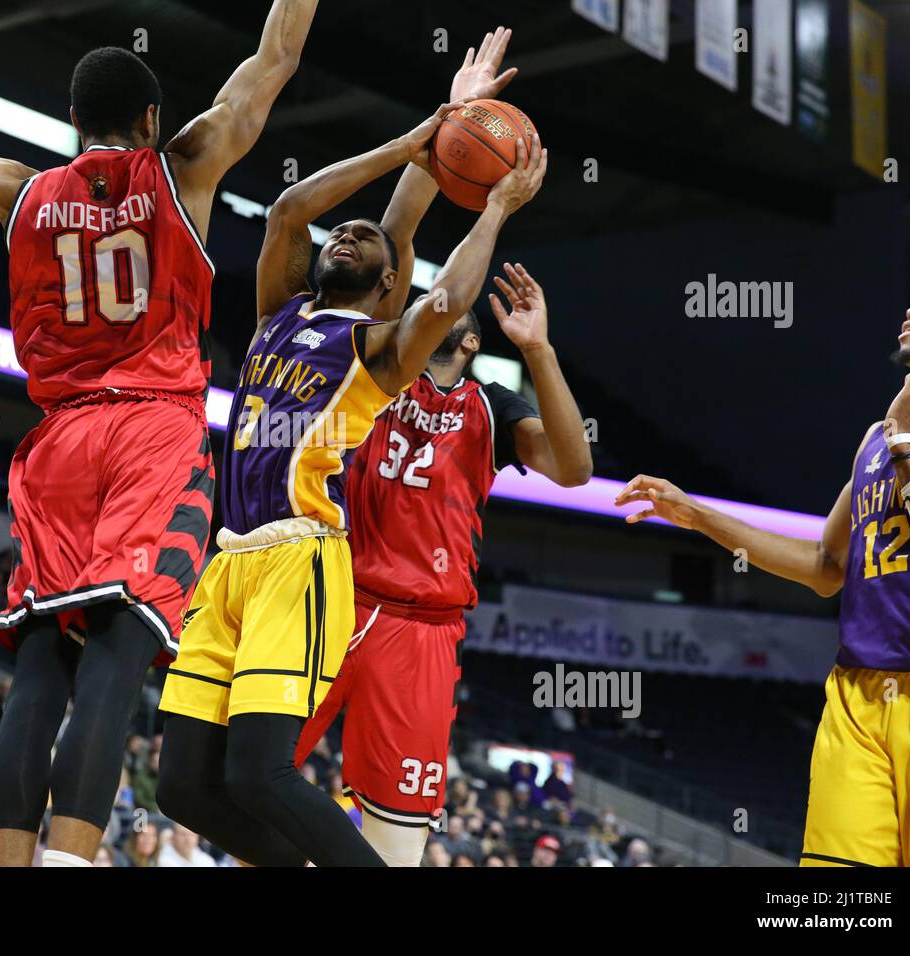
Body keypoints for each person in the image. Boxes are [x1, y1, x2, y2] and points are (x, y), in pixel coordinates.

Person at [0, 0, 322, 869]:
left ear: (71, 120)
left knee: (43, 659)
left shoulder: (16, 187)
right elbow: (273, 58)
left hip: (59, 441)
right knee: (119, 652)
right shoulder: (185, 169)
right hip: (152, 432)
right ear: (154, 121)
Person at [157, 78, 545, 865]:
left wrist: (496, 206)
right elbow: (289, 209)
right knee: (183, 789)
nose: (350, 235)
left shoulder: (376, 349)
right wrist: (416, 143)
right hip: (228, 560)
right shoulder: (281, 310)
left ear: (389, 286)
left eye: (368, 243)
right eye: (347, 233)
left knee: (262, 773)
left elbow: (445, 300)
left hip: (300, 561)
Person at [289, 33, 581, 868]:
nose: (447, 310)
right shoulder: (387, 361)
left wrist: (541, 351)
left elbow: (573, 469)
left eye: (467, 319)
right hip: (334, 592)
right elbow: (399, 225)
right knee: (257, 788)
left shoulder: (493, 407)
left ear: (477, 341)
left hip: (423, 628)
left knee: (392, 839)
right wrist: (455, 115)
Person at [615, 287, 910, 866]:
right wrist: (696, 516)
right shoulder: (877, 436)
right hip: (856, 696)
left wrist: (909, 441)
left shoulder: (898, 435)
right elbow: (826, 566)